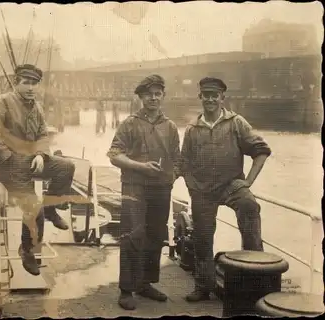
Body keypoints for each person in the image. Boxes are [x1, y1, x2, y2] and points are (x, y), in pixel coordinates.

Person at [180, 77, 272, 302]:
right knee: (202, 237)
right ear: (200, 97)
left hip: (232, 185)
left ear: (222, 98)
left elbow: (261, 150)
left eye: (215, 95)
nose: (210, 99)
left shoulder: (236, 123)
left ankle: (255, 275)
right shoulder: (192, 129)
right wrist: (192, 186)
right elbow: (184, 163)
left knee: (249, 206)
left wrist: (248, 182)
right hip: (202, 190)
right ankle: (203, 285)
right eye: (206, 95)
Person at [0, 64, 75, 276]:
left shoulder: (36, 107)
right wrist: (11, 157)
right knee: (33, 208)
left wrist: (41, 155)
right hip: (7, 164)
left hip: (31, 160)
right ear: (16, 83)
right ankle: (28, 251)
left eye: (34, 83)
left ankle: (51, 207)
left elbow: (42, 134)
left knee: (66, 167)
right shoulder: (0, 103)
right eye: (26, 83)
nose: (31, 88)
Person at [107, 74, 181, 310]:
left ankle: (145, 283)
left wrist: (172, 175)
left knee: (156, 236)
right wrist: (141, 167)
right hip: (134, 188)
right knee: (132, 235)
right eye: (149, 94)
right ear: (140, 97)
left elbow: (178, 158)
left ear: (163, 96)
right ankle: (126, 289)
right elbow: (114, 156)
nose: (153, 98)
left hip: (161, 189)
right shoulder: (130, 124)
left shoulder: (170, 127)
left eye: (158, 93)